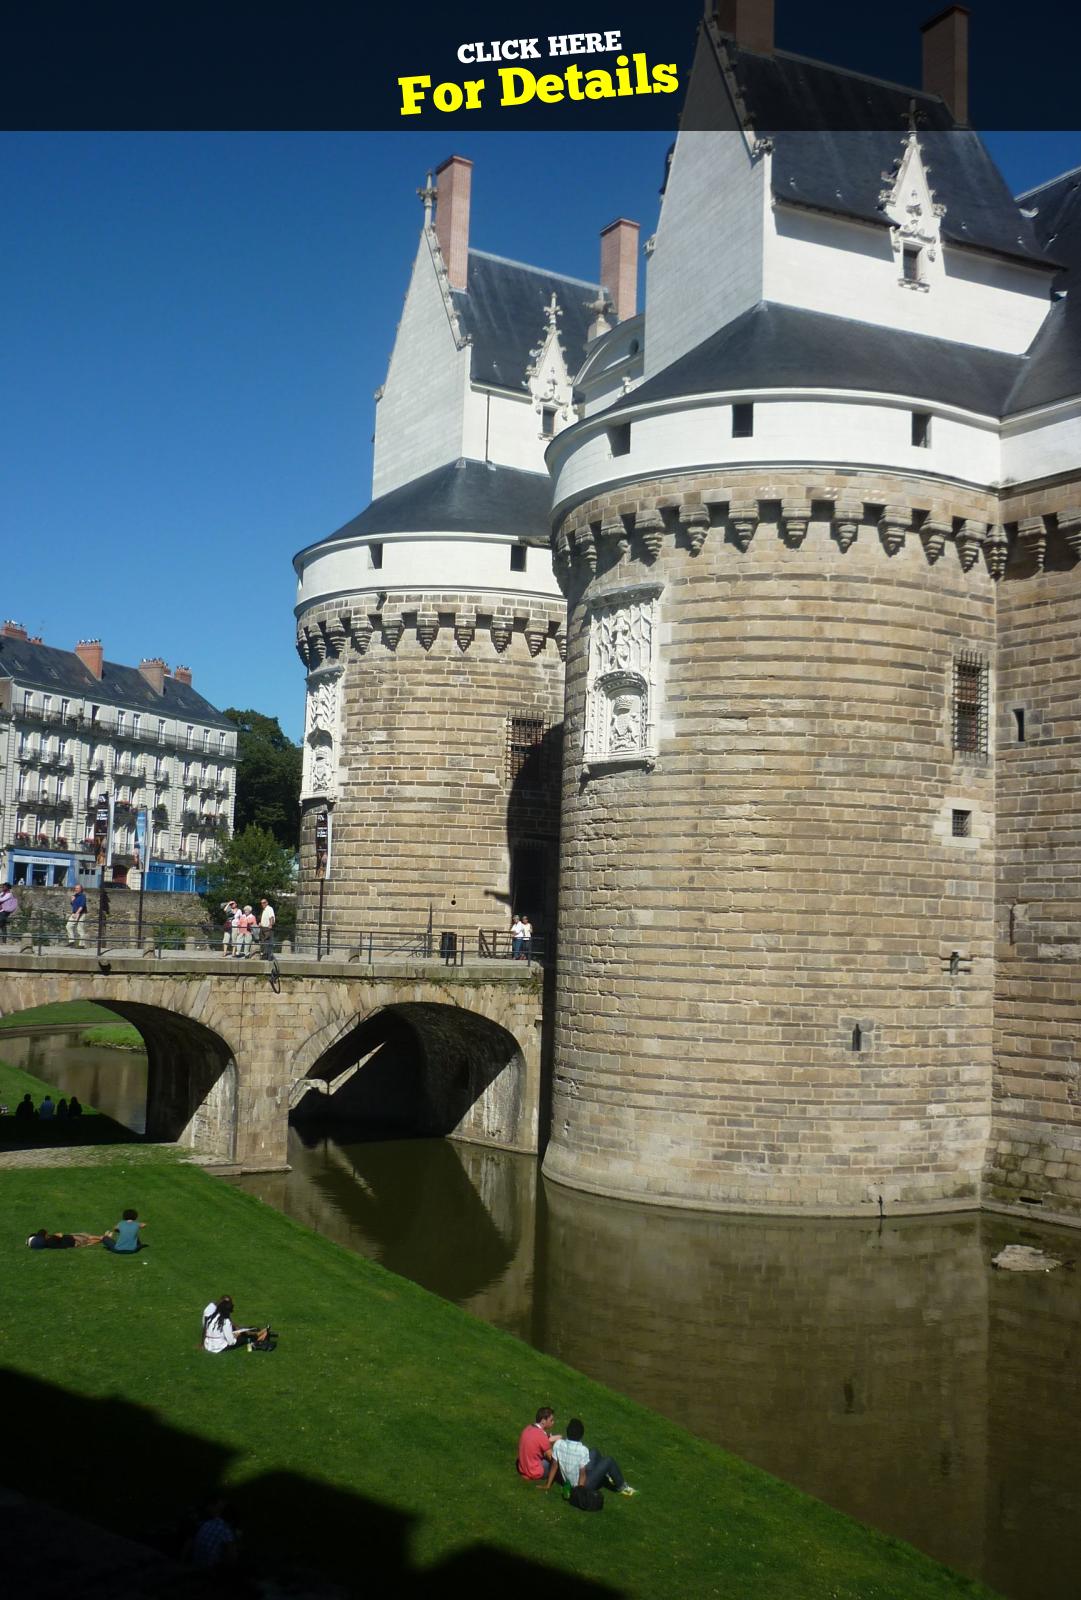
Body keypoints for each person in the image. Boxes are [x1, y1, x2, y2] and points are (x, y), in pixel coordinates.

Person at [546, 1417, 636, 1497]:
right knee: (609, 1460)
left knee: (594, 1451)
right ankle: (622, 1486)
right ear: (581, 1435)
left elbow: (554, 1466)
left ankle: (607, 1475)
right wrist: (579, 1492)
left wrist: (548, 1485)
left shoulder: (558, 1444)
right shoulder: (582, 1450)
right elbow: (582, 1474)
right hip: (582, 1485)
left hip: (568, 1479)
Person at [202, 1296, 269, 1353]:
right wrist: (236, 1336)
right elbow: (231, 1342)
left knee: (239, 1333)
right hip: (218, 1347)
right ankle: (259, 1336)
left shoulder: (213, 1317)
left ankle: (259, 1334)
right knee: (243, 1338)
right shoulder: (225, 1321)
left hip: (208, 1344)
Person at [186, 1497, 238, 1568]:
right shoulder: (226, 1530)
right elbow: (233, 1557)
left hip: (195, 1566)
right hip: (208, 1572)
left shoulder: (207, 1523)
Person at [516, 1405, 560, 1484]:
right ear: (543, 1421)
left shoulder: (528, 1428)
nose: (553, 1422)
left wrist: (550, 1439)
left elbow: (538, 1440)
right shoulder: (541, 1436)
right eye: (551, 1420)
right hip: (534, 1472)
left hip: (522, 1468)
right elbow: (552, 1458)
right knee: (555, 1464)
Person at [27, 1229, 104, 1249]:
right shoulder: (50, 1239)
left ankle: (102, 1239)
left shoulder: (46, 1243)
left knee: (88, 1242)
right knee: (87, 1238)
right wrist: (56, 1235)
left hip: (71, 1243)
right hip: (71, 1239)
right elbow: (60, 1235)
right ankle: (103, 1238)